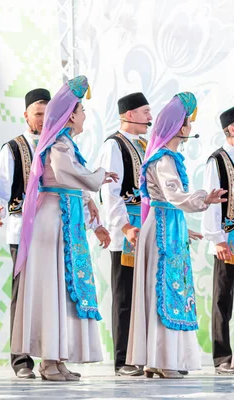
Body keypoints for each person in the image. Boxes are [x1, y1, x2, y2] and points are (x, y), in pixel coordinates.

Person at [11, 76, 117, 382]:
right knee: (53, 288)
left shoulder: (65, 142)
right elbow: (68, 173)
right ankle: (48, 360)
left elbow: (75, 178)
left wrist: (90, 191)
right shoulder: (58, 143)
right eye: (82, 111)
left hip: (65, 219)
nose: (84, 117)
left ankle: (57, 358)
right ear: (71, 114)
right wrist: (96, 176)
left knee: (63, 289)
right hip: (54, 221)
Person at [126, 92, 225, 379]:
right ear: (179, 127)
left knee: (167, 291)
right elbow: (174, 196)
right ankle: (164, 360)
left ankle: (157, 359)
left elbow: (171, 202)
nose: (190, 128)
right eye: (187, 123)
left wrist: (184, 226)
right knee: (165, 292)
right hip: (161, 230)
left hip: (167, 226)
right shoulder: (164, 159)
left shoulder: (168, 157)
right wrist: (204, 198)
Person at [97, 92, 152, 376]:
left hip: (145, 229)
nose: (150, 118)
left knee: (144, 296)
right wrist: (125, 225)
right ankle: (123, 360)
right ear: (129, 114)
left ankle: (142, 355)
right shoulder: (114, 145)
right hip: (127, 233)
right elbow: (110, 191)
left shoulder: (143, 145)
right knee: (125, 296)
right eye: (145, 112)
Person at [201, 105, 234, 375]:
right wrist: (218, 239)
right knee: (223, 298)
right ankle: (222, 357)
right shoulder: (217, 161)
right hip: (229, 238)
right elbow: (213, 204)